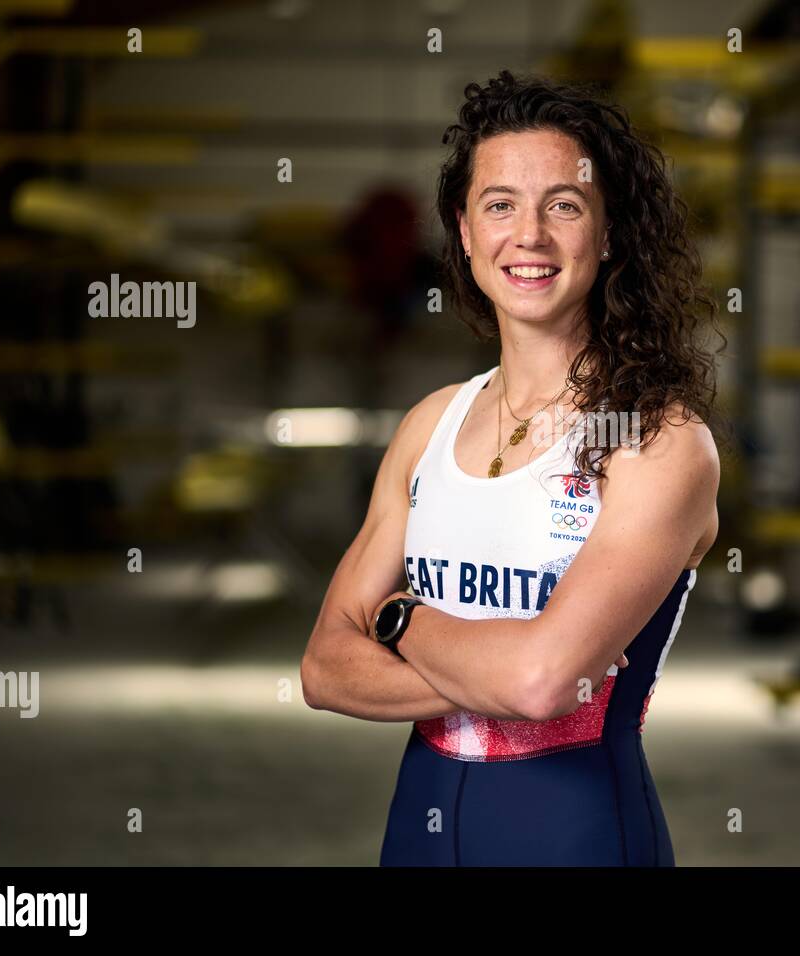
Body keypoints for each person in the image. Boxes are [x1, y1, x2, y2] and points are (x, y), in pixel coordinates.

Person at [300, 69, 724, 866]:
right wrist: (516, 662)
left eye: (563, 205)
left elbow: (536, 686)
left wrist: (400, 621)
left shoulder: (658, 444)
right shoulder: (430, 425)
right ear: (464, 231)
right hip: (418, 826)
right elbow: (324, 668)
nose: (528, 236)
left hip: (576, 832)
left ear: (609, 234)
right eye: (500, 205)